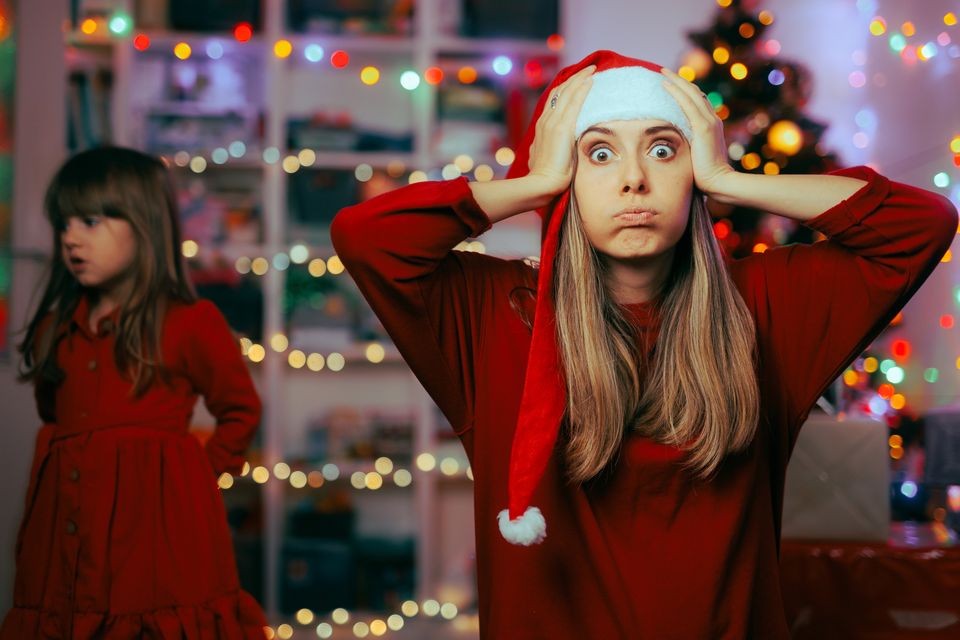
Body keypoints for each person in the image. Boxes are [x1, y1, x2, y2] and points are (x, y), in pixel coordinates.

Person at [331, 50, 957, 638]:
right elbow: (366, 236)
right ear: (567, 180)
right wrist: (534, 181)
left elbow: (920, 224)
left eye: (662, 150)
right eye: (598, 155)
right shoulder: (498, 317)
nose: (633, 179)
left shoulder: (765, 309)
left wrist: (728, 178)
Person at [1, 147, 267, 638]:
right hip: (64, 535)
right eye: (63, 225)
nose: (70, 238)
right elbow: (54, 415)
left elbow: (241, 409)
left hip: (156, 548)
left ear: (143, 225)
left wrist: (193, 481)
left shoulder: (189, 323)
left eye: (90, 221)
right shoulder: (58, 329)